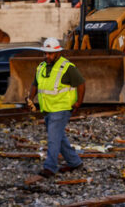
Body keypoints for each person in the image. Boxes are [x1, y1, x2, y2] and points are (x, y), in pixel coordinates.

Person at [26, 38, 86, 178]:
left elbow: (81, 84)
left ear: (58, 52)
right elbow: (35, 84)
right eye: (46, 53)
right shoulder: (41, 66)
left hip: (61, 109)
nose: (47, 56)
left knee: (53, 138)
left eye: (50, 54)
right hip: (48, 109)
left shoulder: (67, 67)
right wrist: (30, 98)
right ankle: (75, 162)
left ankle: (50, 168)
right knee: (59, 137)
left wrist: (78, 102)